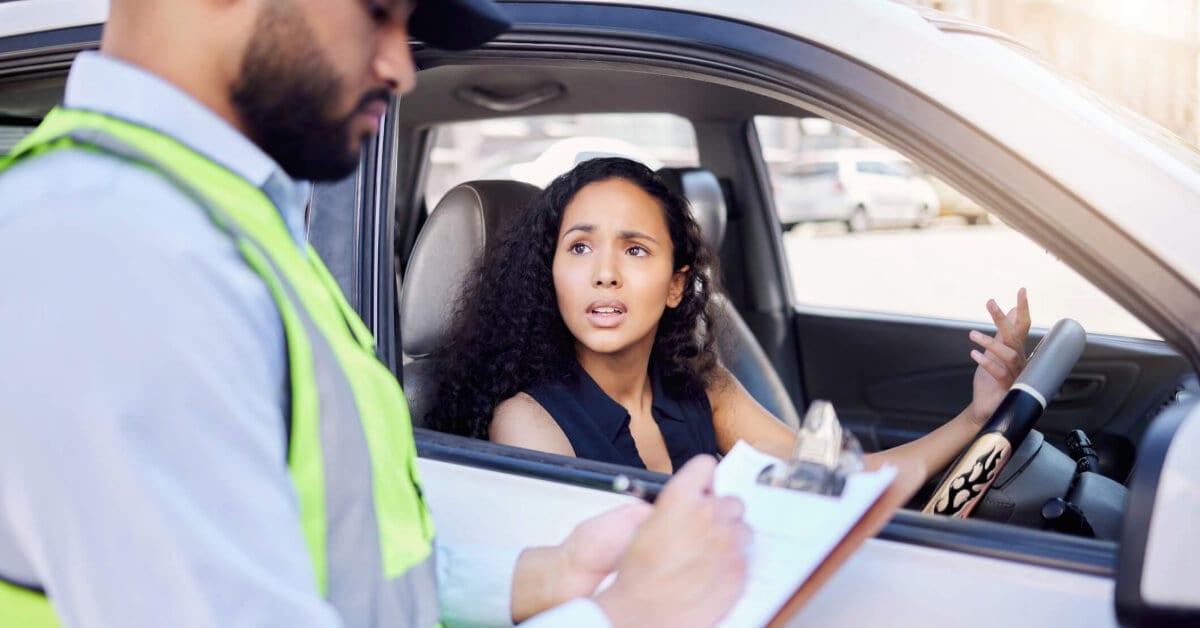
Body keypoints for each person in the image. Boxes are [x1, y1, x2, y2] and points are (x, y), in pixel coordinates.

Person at [0, 2, 750, 627]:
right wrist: (626, 615)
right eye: (377, 14)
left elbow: (333, 565)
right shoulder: (114, 252)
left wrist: (546, 575)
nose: (401, 67)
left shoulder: (222, 226)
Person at [428, 158, 1031, 478]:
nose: (604, 273)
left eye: (635, 250)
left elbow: (837, 476)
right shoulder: (527, 421)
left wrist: (977, 417)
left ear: (675, 286)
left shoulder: (700, 385)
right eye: (579, 247)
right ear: (549, 272)